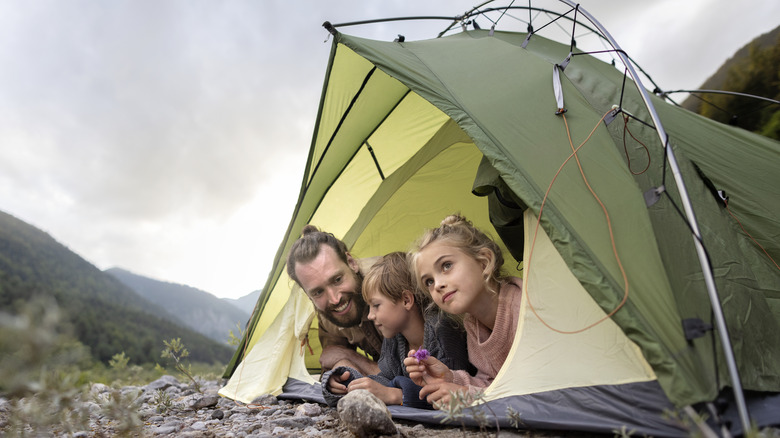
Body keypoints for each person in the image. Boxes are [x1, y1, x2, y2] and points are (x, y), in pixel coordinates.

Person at [320, 252, 473, 408]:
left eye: (376, 305)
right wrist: (346, 380)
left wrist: (396, 394)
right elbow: (384, 379)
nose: (370, 315)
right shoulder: (395, 339)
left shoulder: (443, 332)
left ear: (406, 300)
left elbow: (447, 394)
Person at [403, 214, 523, 406]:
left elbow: (536, 389)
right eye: (429, 281)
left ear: (484, 262)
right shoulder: (474, 325)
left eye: (446, 265)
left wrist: (466, 395)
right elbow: (492, 383)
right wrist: (449, 378)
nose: (438, 285)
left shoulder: (523, 311)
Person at [286, 225, 383, 376]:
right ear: (307, 295)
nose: (334, 299)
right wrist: (338, 374)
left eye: (337, 280)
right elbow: (332, 359)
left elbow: (416, 376)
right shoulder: (328, 317)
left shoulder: (392, 284)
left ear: (351, 263)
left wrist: (350, 357)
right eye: (318, 292)